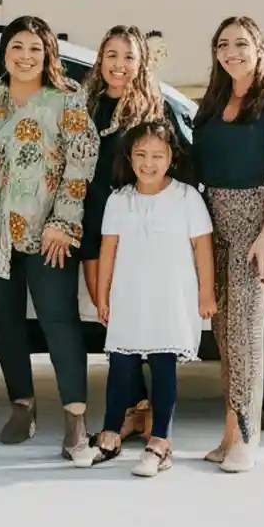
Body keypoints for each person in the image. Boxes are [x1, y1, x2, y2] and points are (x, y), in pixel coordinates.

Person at [0, 14, 100, 466]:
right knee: (4, 322)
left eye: (35, 48)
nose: (26, 56)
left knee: (58, 321)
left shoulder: (67, 101)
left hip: (49, 232)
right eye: (17, 47)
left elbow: (80, 165)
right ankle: (22, 406)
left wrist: (63, 222)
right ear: (5, 53)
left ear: (48, 53)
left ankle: (75, 419)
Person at [190, 15, 264, 473]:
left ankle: (248, 442)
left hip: (256, 226)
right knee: (223, 335)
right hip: (213, 224)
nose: (231, 52)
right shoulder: (211, 104)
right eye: (222, 45)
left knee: (247, 336)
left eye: (240, 43)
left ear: (258, 48)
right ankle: (229, 435)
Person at [74, 24, 191, 444]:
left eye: (128, 57)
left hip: (137, 226)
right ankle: (135, 408)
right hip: (93, 221)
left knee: (144, 315)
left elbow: (174, 166)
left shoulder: (151, 110)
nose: (118, 65)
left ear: (140, 63)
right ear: (100, 59)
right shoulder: (85, 103)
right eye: (111, 55)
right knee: (114, 317)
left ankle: (150, 418)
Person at [81, 121, 216, 475]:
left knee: (163, 364)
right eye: (140, 154)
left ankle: (161, 440)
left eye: (157, 155)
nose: (148, 163)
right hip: (130, 295)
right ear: (129, 157)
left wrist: (206, 292)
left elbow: (202, 246)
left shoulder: (187, 197)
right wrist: (103, 294)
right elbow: (108, 248)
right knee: (121, 364)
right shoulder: (119, 200)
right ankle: (110, 432)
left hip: (170, 296)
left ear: (171, 157)